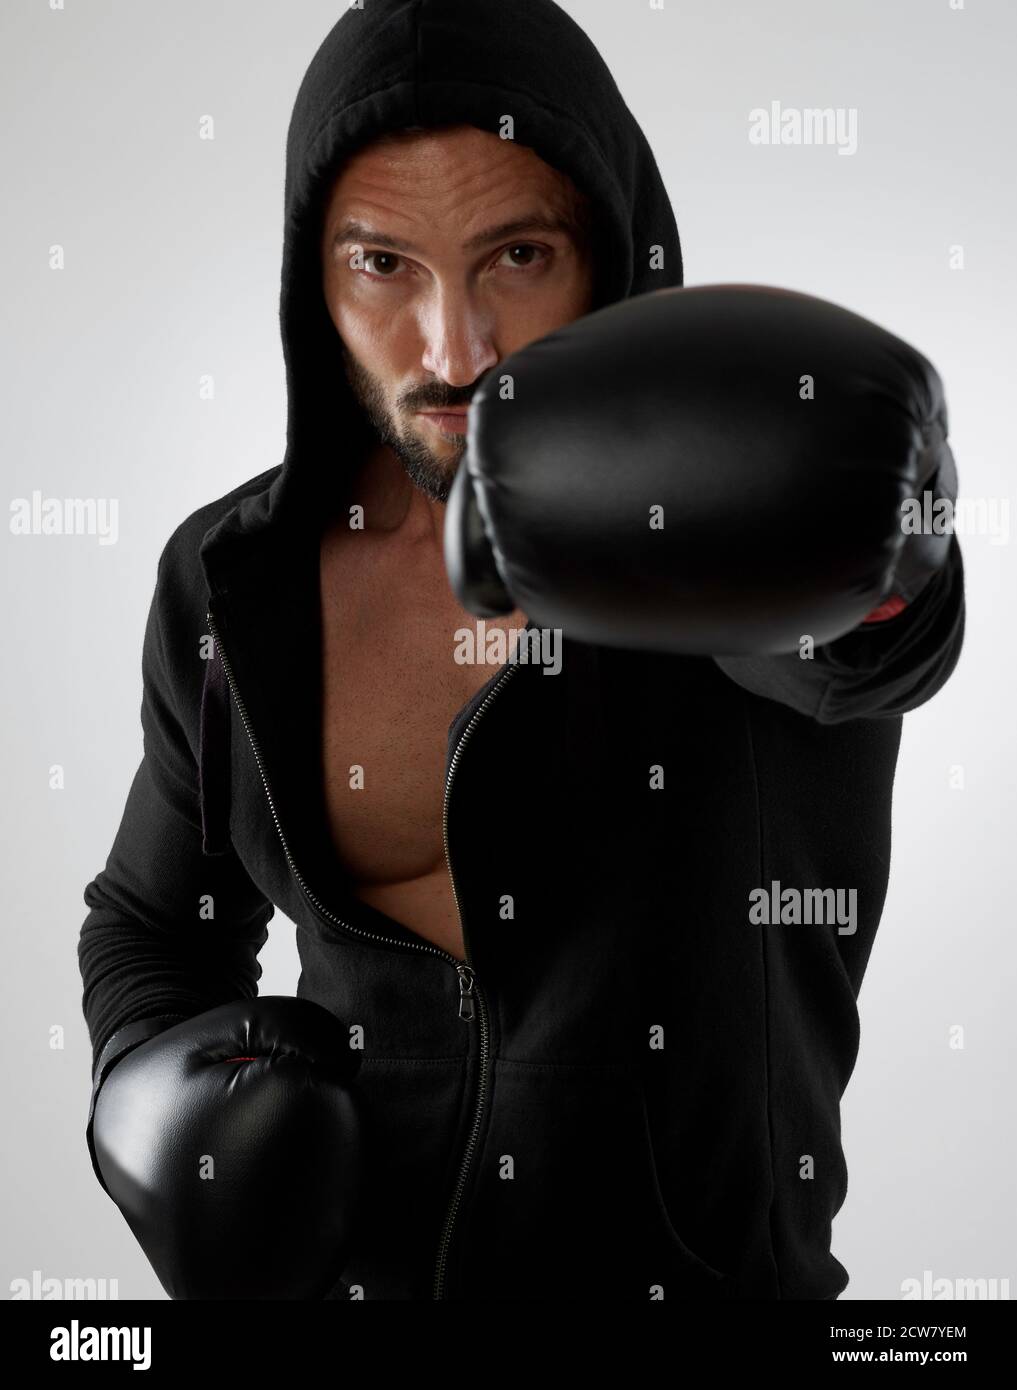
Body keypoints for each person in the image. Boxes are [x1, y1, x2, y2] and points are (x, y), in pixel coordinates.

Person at [78, 0, 965, 1302]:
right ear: (307, 278)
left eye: (516, 256)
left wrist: (891, 556)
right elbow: (159, 919)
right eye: (382, 264)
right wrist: (151, 1105)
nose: (455, 350)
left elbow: (867, 648)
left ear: (608, 257)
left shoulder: (716, 530)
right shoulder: (230, 575)